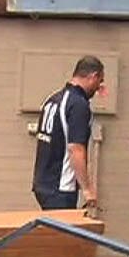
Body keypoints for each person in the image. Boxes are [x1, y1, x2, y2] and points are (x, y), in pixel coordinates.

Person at [31, 56, 104, 210]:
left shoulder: (52, 99)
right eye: (100, 81)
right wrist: (87, 189)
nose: (99, 88)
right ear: (93, 76)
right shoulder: (78, 105)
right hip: (61, 187)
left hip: (42, 182)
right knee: (62, 233)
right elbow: (75, 149)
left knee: (51, 231)